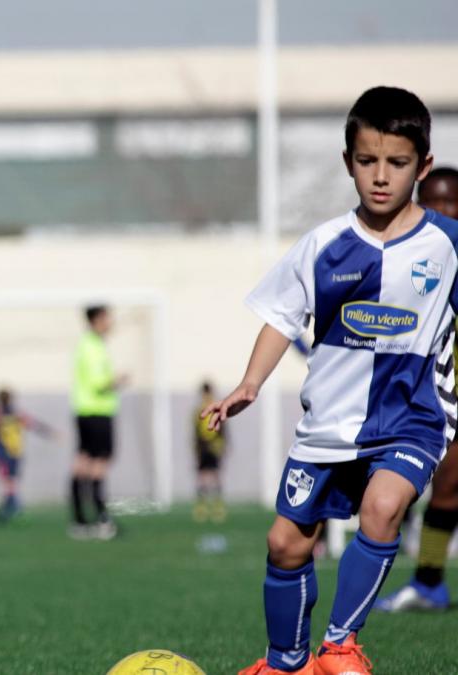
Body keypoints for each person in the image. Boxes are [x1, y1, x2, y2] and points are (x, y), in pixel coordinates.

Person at [203, 86, 455, 675]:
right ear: (348, 162)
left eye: (396, 163)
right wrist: (250, 383)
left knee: (383, 507)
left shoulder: (448, 245)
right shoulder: (323, 245)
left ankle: (341, 644)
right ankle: (286, 661)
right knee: (285, 543)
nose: (381, 176)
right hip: (329, 424)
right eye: (367, 161)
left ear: (422, 166)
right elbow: (280, 317)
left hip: (411, 419)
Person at [375, 166, 458, 613]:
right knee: (445, 487)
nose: (443, 210)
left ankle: (428, 582)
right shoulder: (412, 257)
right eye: (434, 202)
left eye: (452, 201)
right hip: (438, 395)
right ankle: (428, 582)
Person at [70, 305, 127, 540]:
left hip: (86, 410)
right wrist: (118, 380)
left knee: (83, 462)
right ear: (96, 320)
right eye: (107, 318)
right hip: (96, 411)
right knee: (97, 463)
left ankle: (80, 520)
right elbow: (98, 383)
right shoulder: (92, 346)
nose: (110, 322)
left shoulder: (91, 344)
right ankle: (100, 519)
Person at [0, 388, 54, 523]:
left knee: (7, 481)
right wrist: (51, 433)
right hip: (15, 452)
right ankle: (13, 505)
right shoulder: (17, 415)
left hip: (3, 452)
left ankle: (11, 506)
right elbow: (35, 425)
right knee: (11, 481)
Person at [192, 380, 227, 523]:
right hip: (203, 447)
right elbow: (196, 430)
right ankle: (202, 506)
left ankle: (218, 506)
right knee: (202, 477)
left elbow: (223, 426)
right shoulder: (199, 410)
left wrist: (222, 444)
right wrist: (196, 447)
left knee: (215, 476)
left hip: (214, 446)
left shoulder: (216, 407)